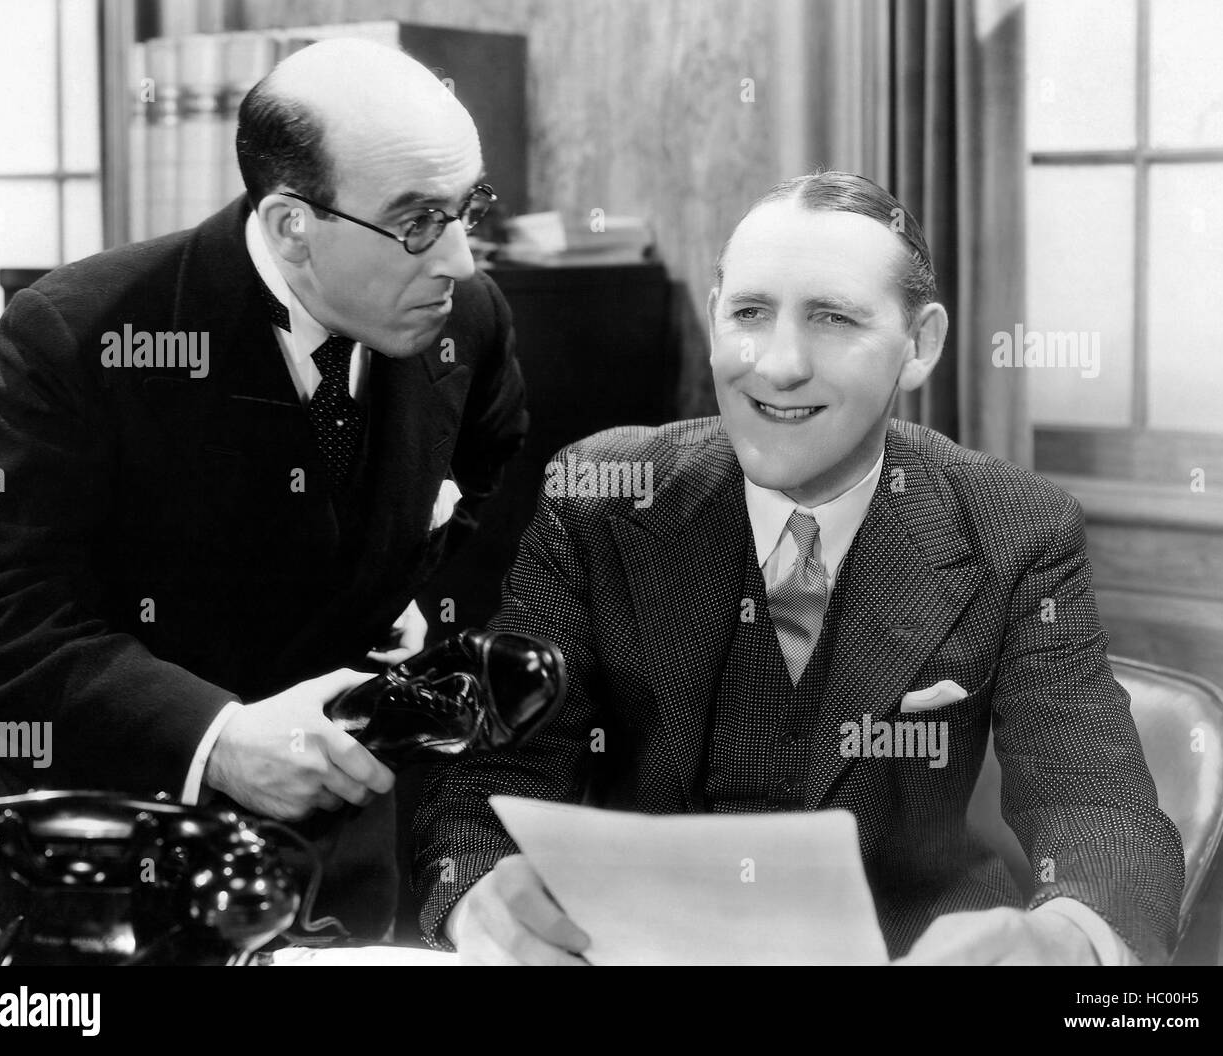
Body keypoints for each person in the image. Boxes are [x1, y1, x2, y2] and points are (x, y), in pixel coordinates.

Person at [412, 171, 1184, 965]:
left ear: (919, 346)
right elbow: (492, 769)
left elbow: (1097, 802)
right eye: (749, 313)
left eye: (833, 319)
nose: (778, 366)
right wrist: (479, 889)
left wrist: (1065, 941)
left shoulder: (1015, 525)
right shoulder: (599, 497)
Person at [0, 38, 528, 940]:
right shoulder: (83, 331)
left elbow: (498, 492)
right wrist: (216, 740)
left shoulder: (469, 319)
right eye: (418, 220)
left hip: (355, 854)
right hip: (122, 868)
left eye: (468, 208)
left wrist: (420, 599)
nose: (456, 259)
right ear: (294, 223)